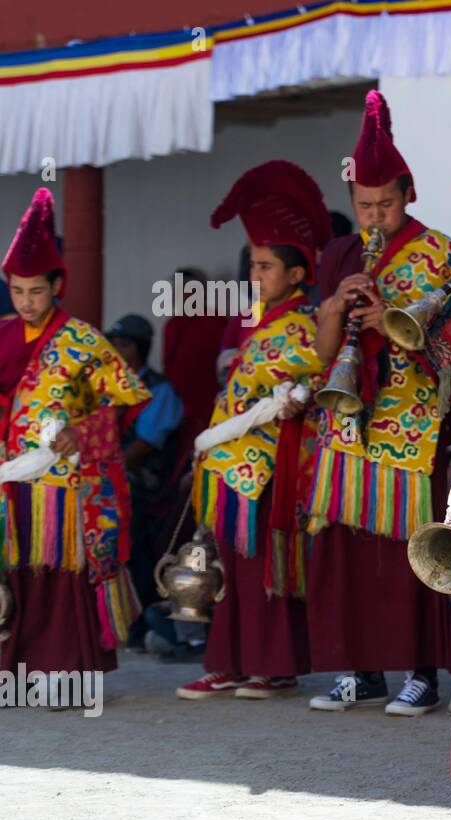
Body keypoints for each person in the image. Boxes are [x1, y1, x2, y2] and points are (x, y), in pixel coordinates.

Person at [305, 90, 451, 716]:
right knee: (349, 549)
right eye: (364, 204)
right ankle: (362, 670)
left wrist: (397, 325)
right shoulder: (340, 255)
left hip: (409, 423)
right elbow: (321, 351)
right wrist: (334, 309)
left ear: (408, 196)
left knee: (409, 548)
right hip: (347, 419)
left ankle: (422, 673)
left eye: (386, 202)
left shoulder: (438, 255)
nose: (374, 215)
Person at [176, 161, 329, 701]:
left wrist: (292, 401)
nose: (255, 275)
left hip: (264, 465)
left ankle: (272, 665)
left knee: (260, 569)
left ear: (295, 274)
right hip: (224, 461)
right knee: (228, 570)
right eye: (254, 265)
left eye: (265, 266)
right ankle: (227, 662)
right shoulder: (253, 320)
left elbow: (308, 385)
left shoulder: (303, 325)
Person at [0, 188, 152, 701]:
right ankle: (15, 671)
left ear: (57, 285)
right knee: (17, 576)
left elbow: (124, 401)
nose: (26, 302)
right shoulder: (1, 336)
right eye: (18, 291)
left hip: (66, 481)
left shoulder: (82, 341)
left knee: (61, 575)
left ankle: (65, 674)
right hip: (11, 476)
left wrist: (81, 433)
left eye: (36, 292)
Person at [105, 313, 185, 653]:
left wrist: (105, 472)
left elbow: (143, 447)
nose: (116, 350)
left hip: (143, 481)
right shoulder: (109, 385)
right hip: (111, 474)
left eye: (123, 344)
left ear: (140, 348)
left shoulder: (158, 390)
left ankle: (136, 626)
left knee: (130, 541)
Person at [161, 267, 231, 470]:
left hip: (210, 405)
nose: (184, 295)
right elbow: (167, 366)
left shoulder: (217, 323)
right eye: (180, 290)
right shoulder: (173, 324)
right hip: (180, 409)